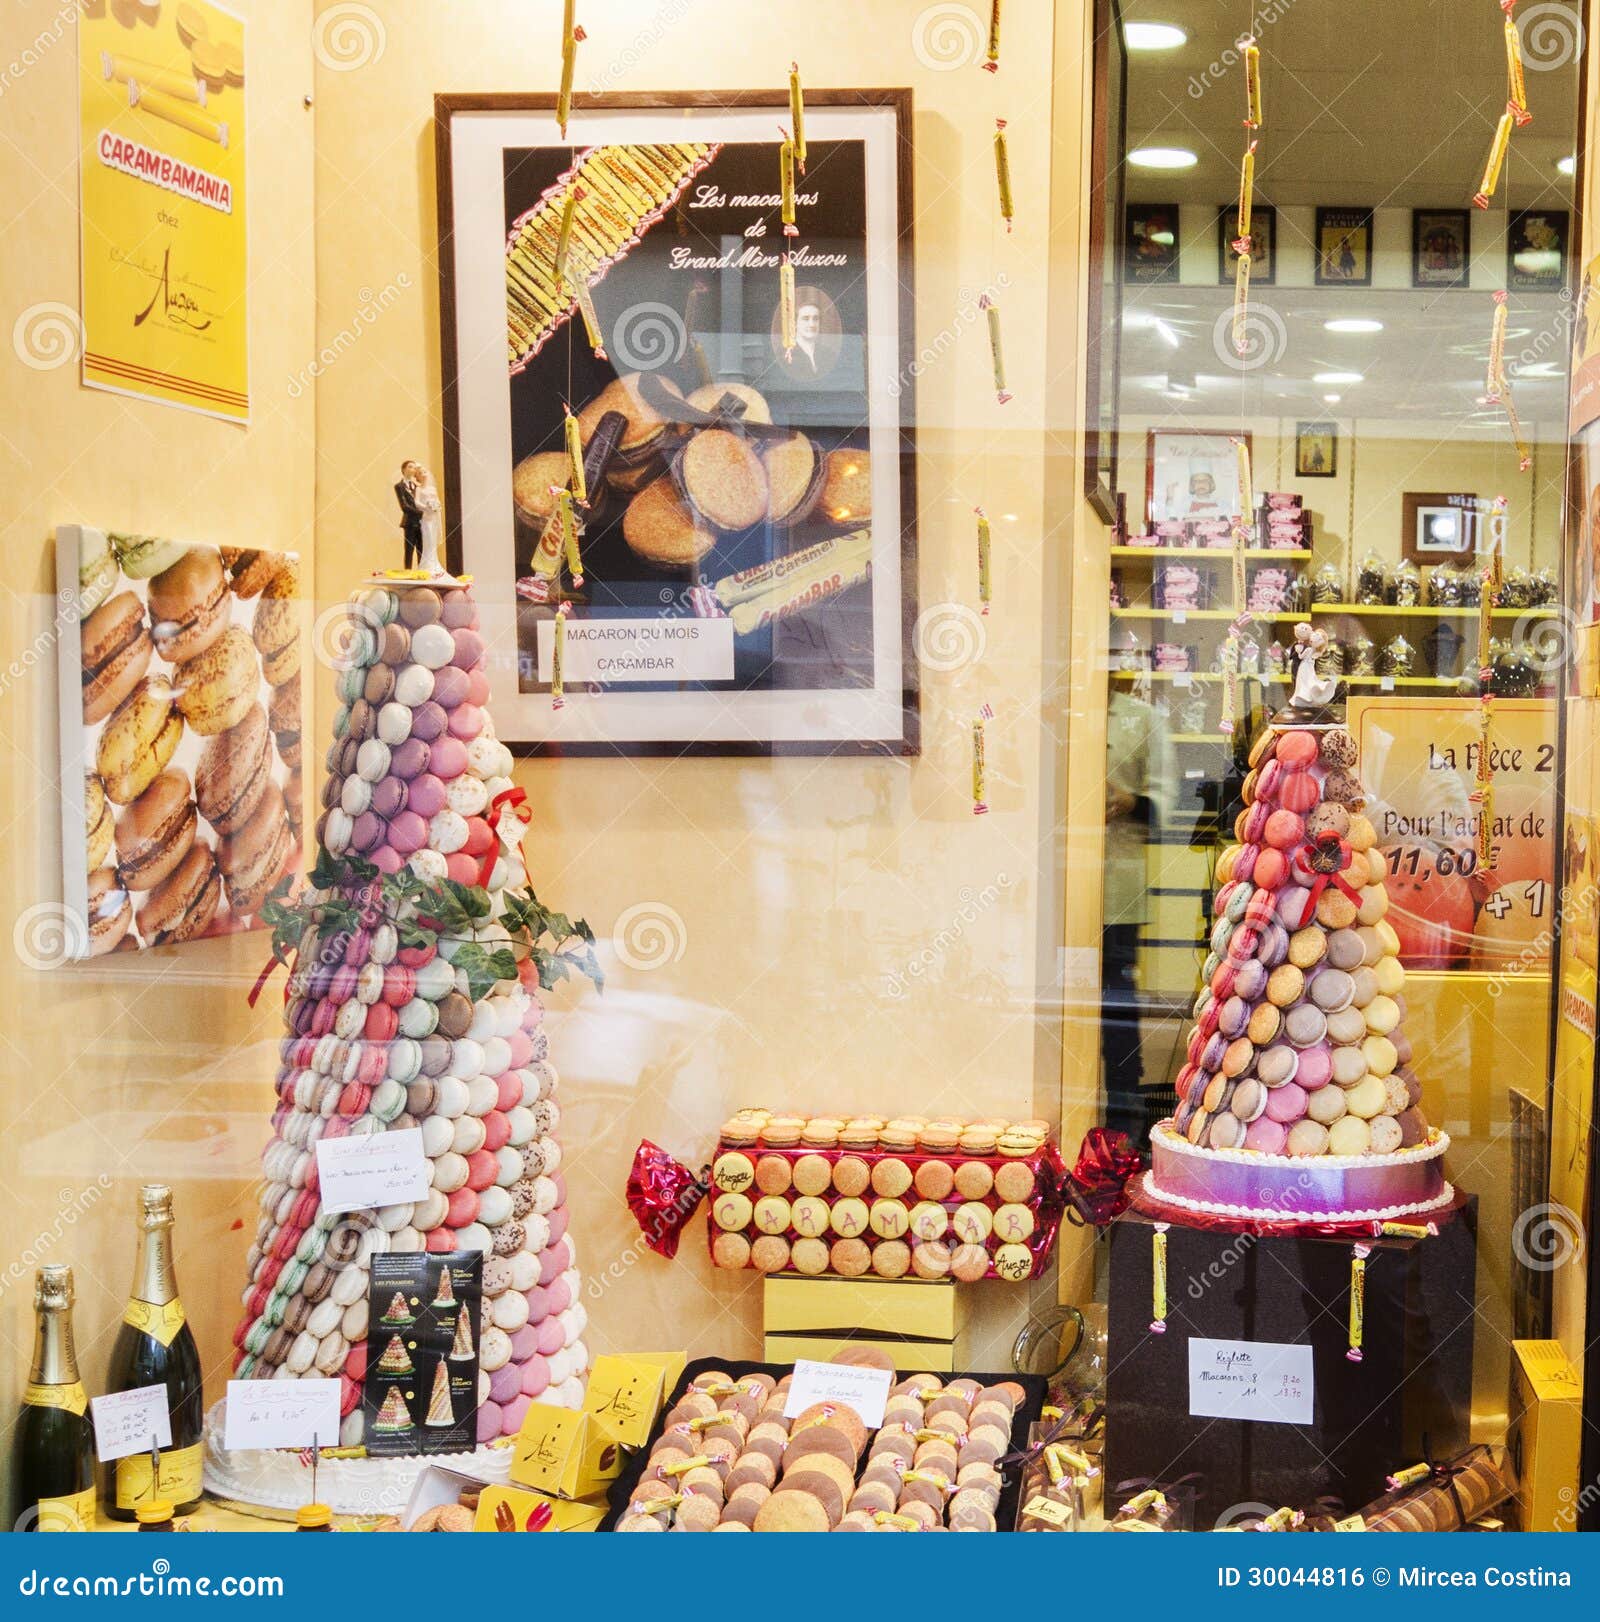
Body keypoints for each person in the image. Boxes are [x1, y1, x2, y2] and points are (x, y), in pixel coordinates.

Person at [1101, 688, 1176, 1144]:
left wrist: (1129, 802)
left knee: (1116, 998)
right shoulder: (1061, 710)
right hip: (1058, 880)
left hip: (1118, 883)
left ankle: (1123, 1111)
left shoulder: (1143, 718)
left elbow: (1165, 800)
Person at [395, 460, 425, 569]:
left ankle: (421, 571)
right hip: (409, 522)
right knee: (409, 549)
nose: (412, 469)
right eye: (410, 467)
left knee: (421, 549)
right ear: (404, 469)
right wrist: (421, 513)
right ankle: (408, 571)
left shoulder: (417, 486)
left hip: (421, 523)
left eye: (414, 467)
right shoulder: (399, 486)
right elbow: (404, 506)